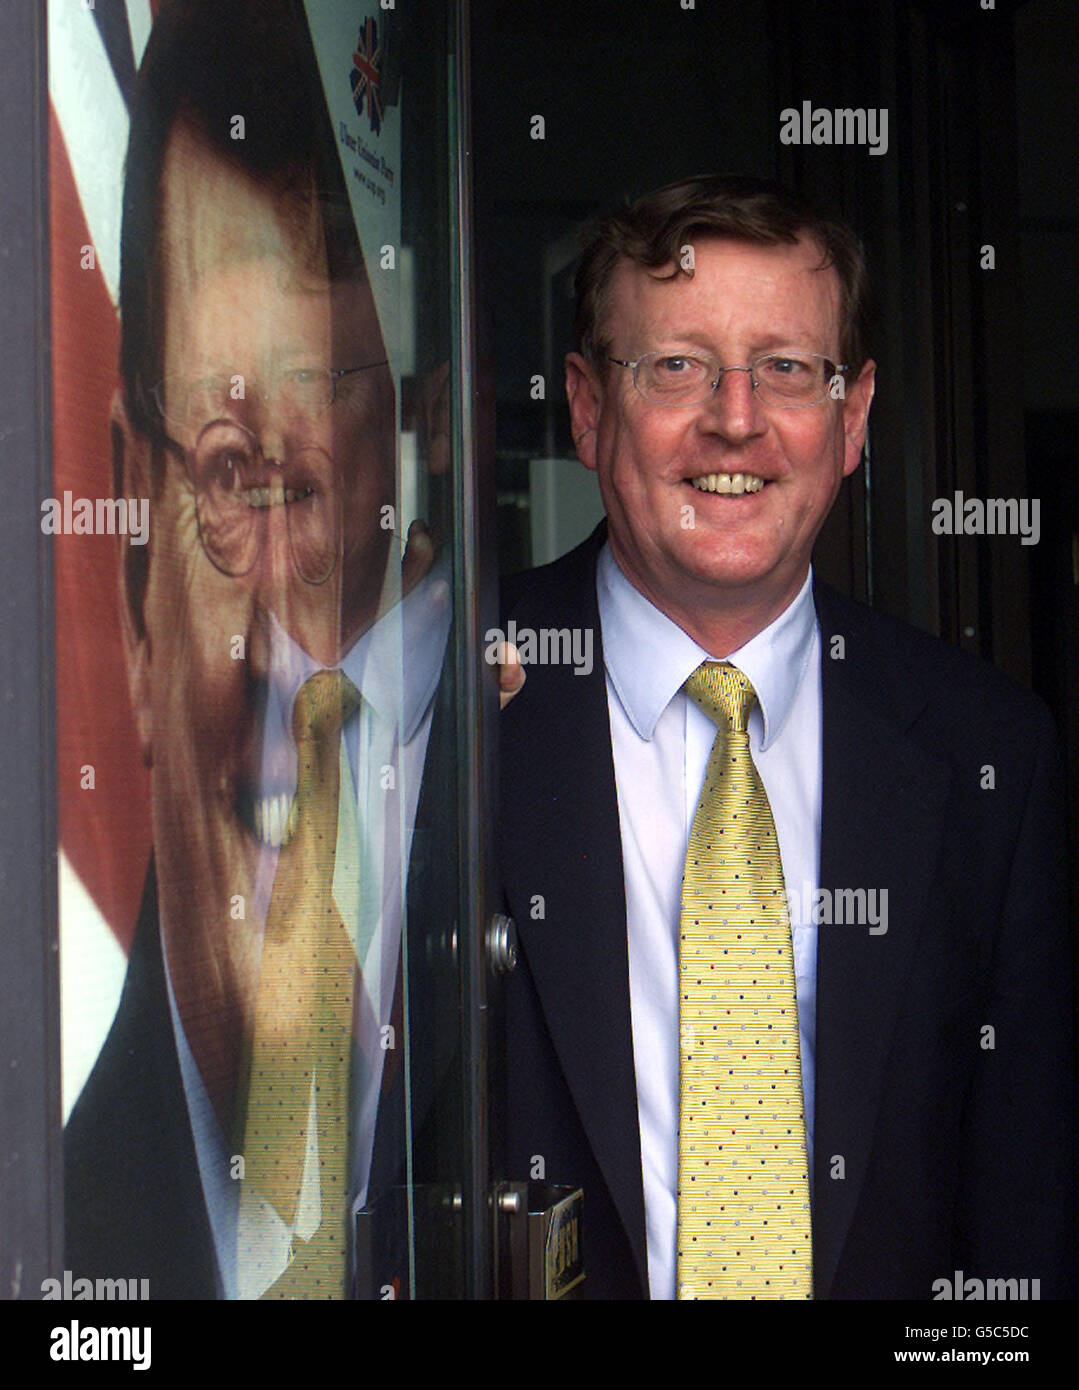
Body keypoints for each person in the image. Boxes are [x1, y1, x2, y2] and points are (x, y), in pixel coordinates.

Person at [496, 174, 1076, 1299]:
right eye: (674, 366)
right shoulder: (449, 697)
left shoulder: (982, 752)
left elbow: (1021, 1224)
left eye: (785, 369)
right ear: (583, 408)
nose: (734, 417)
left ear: (850, 419)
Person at [63, 0, 453, 1299]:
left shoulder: (592, 764)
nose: (298, 636)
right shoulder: (44, 1210)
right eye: (233, 476)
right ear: (132, 573)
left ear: (428, 434)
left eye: (326, 482)